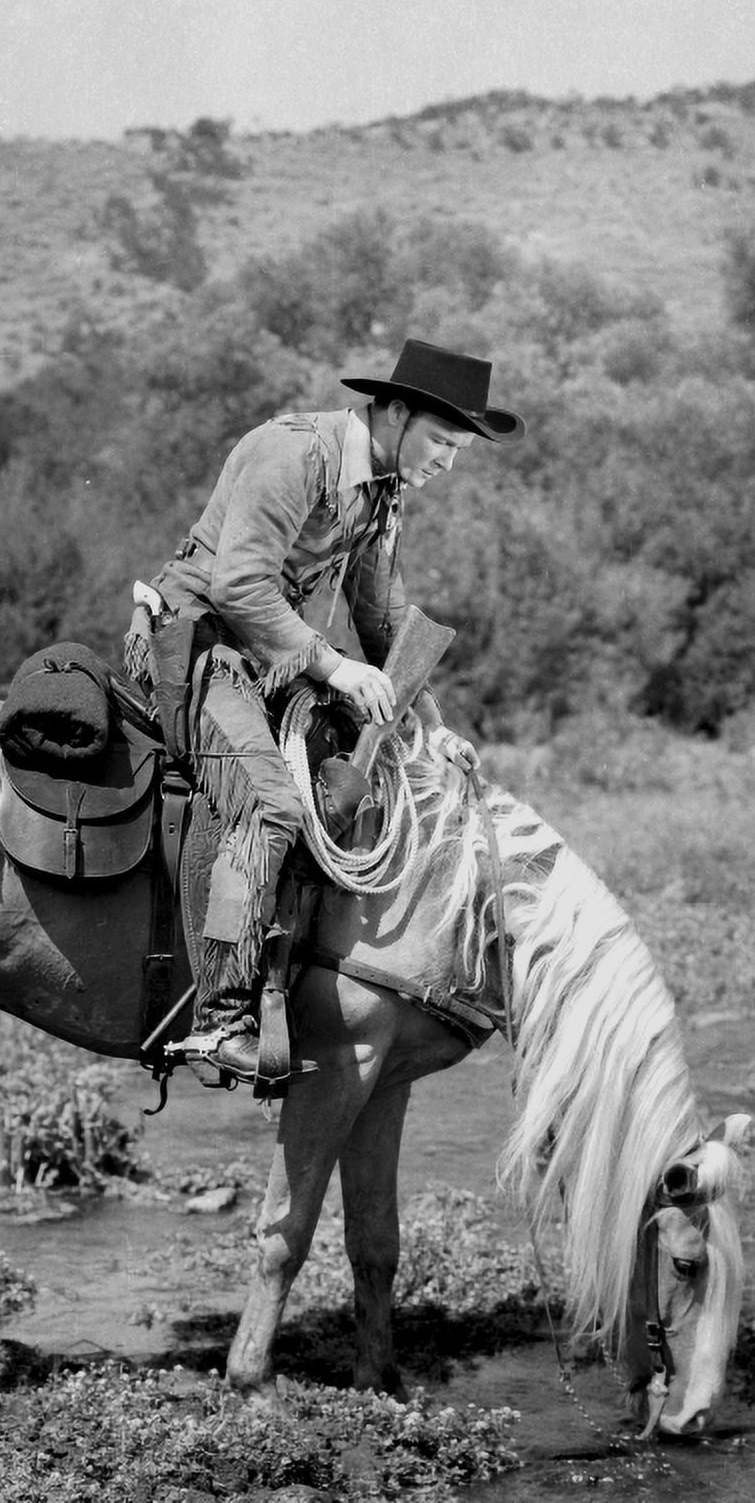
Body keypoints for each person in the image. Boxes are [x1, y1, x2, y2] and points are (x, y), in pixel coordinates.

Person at [142, 338, 524, 1085]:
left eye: (459, 450)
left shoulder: (384, 493)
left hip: (269, 660)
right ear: (397, 411)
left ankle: (307, 982)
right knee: (275, 808)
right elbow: (239, 587)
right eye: (443, 441)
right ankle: (219, 1018)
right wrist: (337, 666)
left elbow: (385, 619)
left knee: (364, 790)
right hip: (199, 648)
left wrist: (434, 729)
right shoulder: (293, 455)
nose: (448, 460)